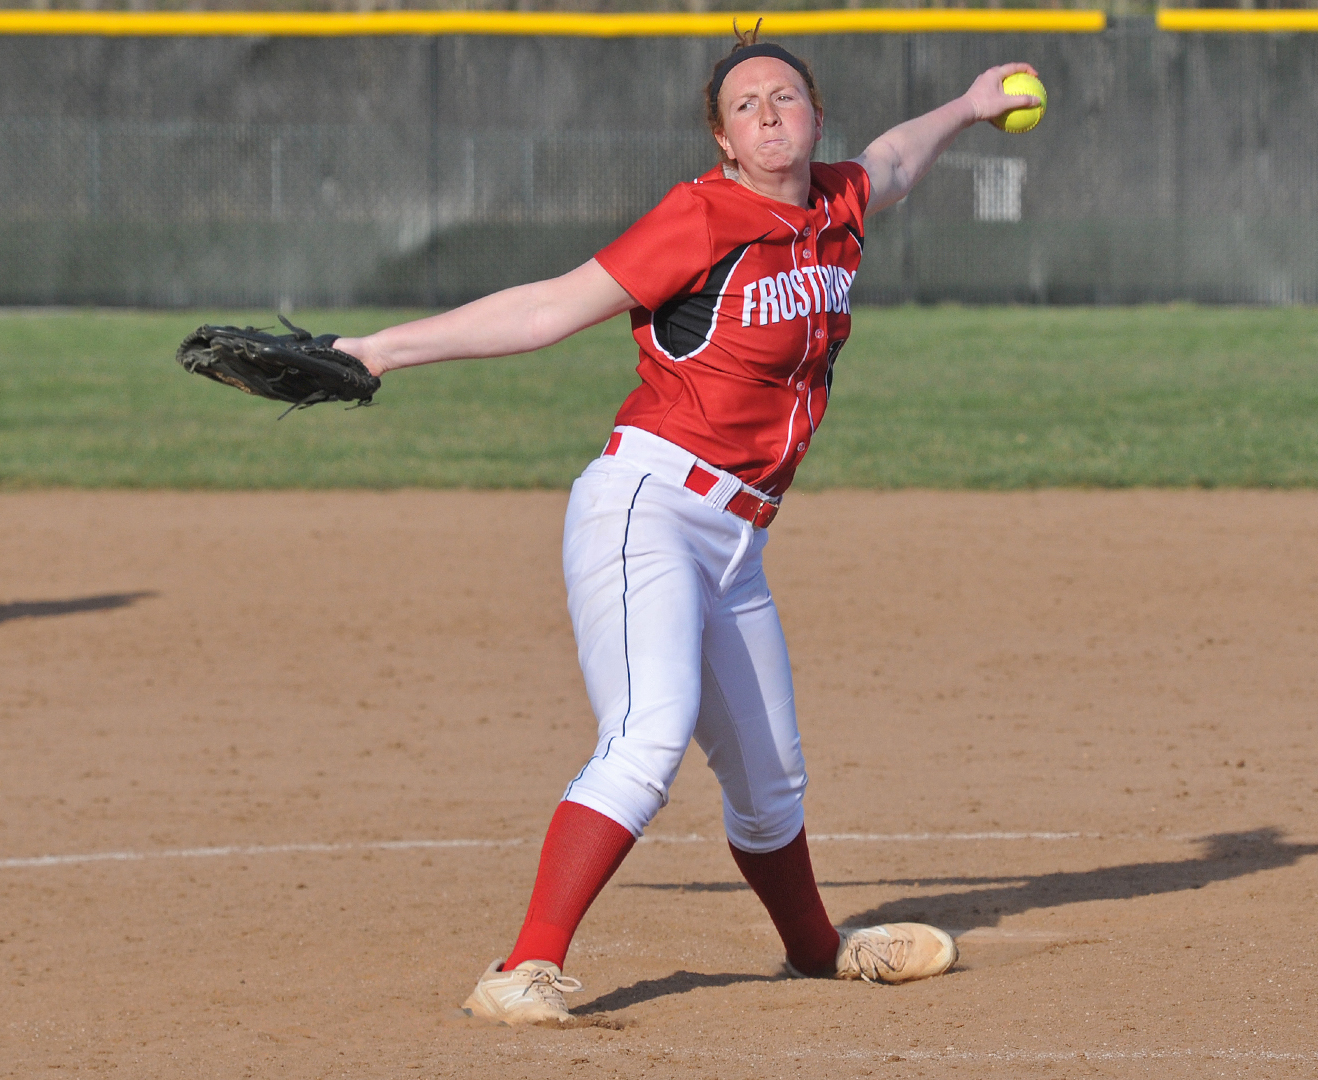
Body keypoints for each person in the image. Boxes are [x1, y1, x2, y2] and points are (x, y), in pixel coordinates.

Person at [334, 31, 1042, 1025]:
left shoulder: (838, 201)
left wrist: (969, 107)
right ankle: (520, 969)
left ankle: (817, 951)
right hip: (651, 506)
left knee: (770, 775)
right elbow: (548, 310)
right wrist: (375, 351)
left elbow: (891, 162)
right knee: (648, 734)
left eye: (784, 96)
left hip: (739, 541)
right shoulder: (702, 215)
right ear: (723, 137)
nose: (768, 112)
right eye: (746, 103)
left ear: (813, 116)